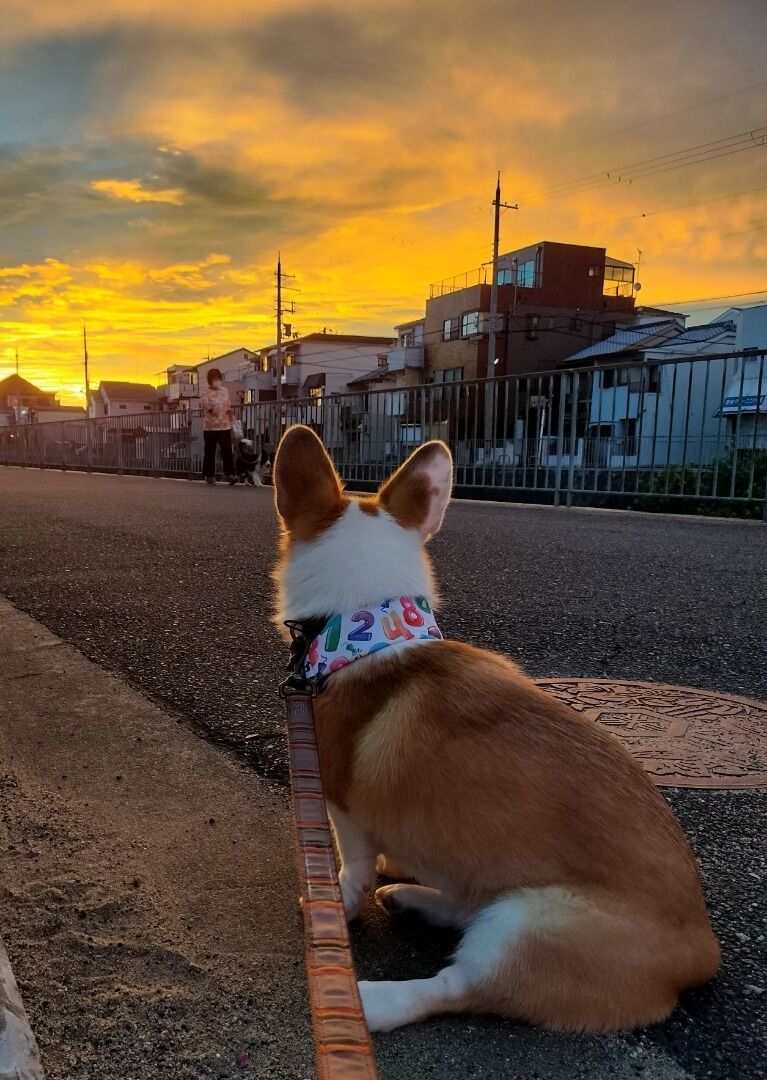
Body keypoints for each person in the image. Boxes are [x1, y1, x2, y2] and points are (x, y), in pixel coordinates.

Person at [200, 368, 235, 485]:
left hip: (224, 425)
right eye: (214, 379)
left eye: (218, 379)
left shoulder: (225, 391)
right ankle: (209, 475)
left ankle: (230, 474)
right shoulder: (205, 391)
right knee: (210, 451)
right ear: (210, 380)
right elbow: (206, 405)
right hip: (210, 427)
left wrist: (230, 414)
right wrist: (212, 409)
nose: (217, 381)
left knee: (227, 451)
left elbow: (228, 404)